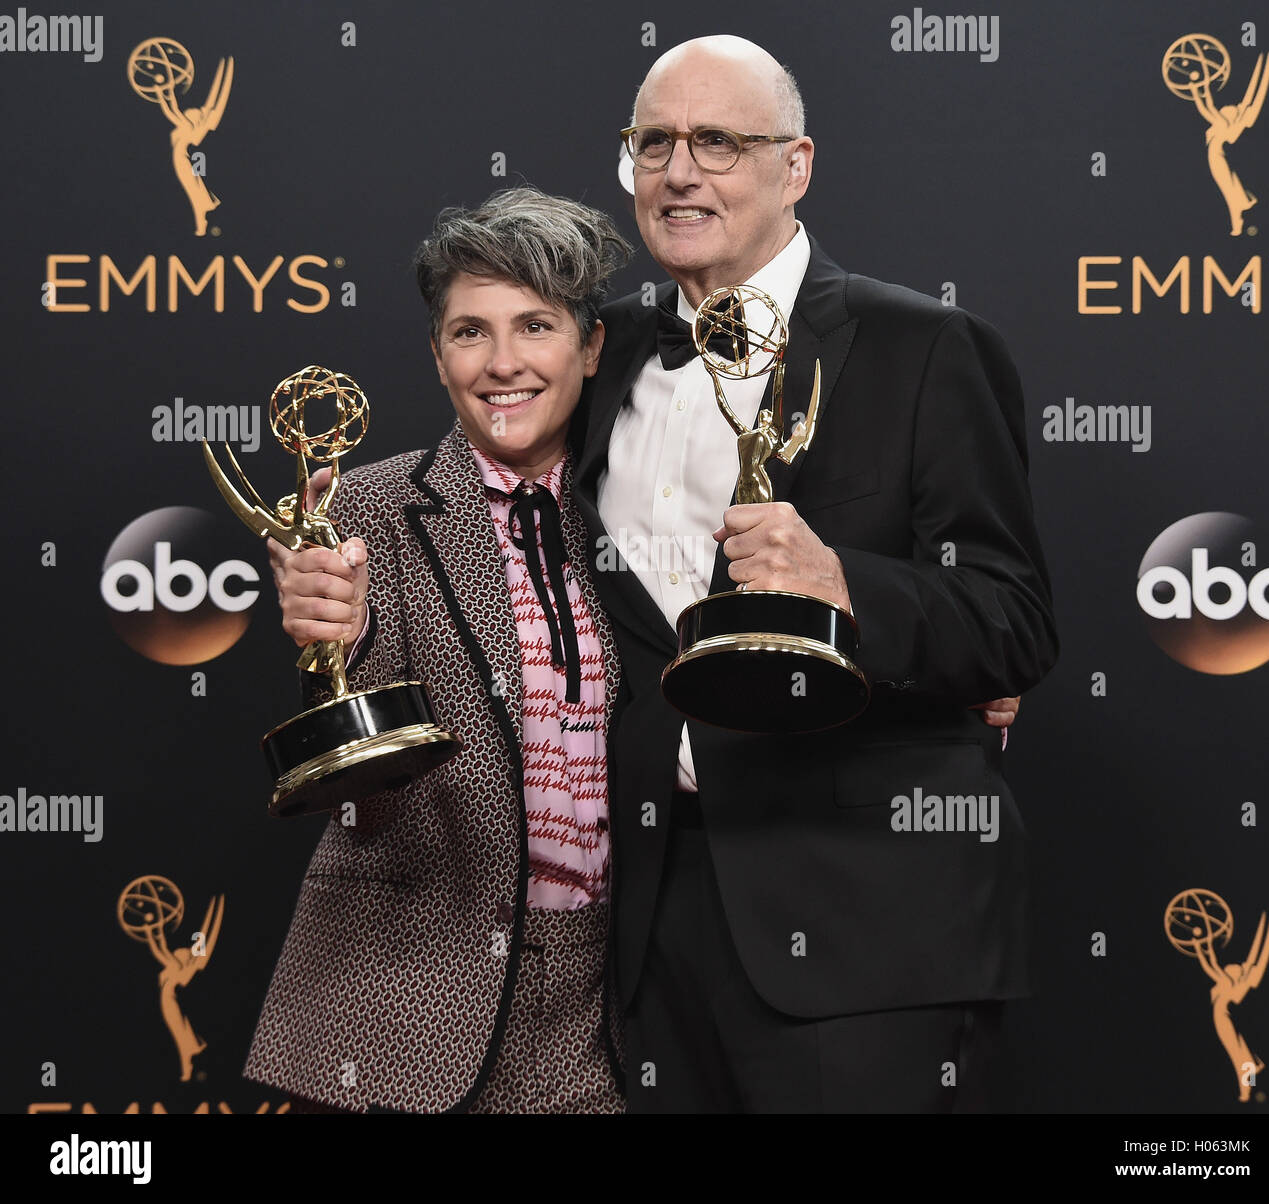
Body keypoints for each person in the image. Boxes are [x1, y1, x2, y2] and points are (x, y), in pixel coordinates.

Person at [569, 35, 1058, 1112]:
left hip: (865, 925)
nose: (679, 169)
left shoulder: (924, 345)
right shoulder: (596, 357)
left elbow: (1012, 619)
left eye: (718, 142)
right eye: (653, 142)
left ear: (794, 167)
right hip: (650, 929)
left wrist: (847, 585)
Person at [242, 187, 632, 1113]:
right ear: (436, 353)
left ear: (590, 345)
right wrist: (338, 624)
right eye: (469, 332)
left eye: (535, 326)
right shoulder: (365, 510)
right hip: (408, 1002)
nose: (503, 364)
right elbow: (366, 761)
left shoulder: (641, 509)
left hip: (608, 1015)